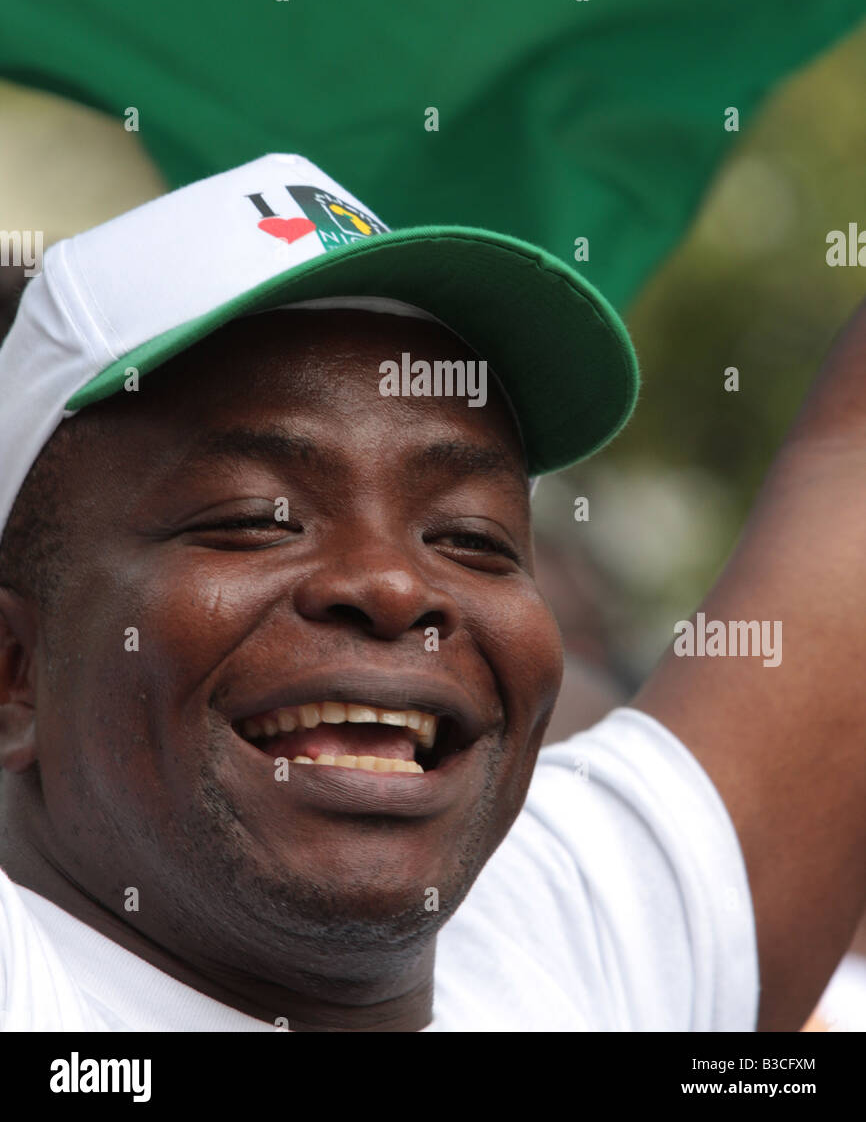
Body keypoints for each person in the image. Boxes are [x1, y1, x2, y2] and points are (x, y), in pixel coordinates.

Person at [0, 153, 862, 1032]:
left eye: (471, 538)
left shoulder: (572, 956)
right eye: (259, 517)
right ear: (15, 673)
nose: (393, 584)